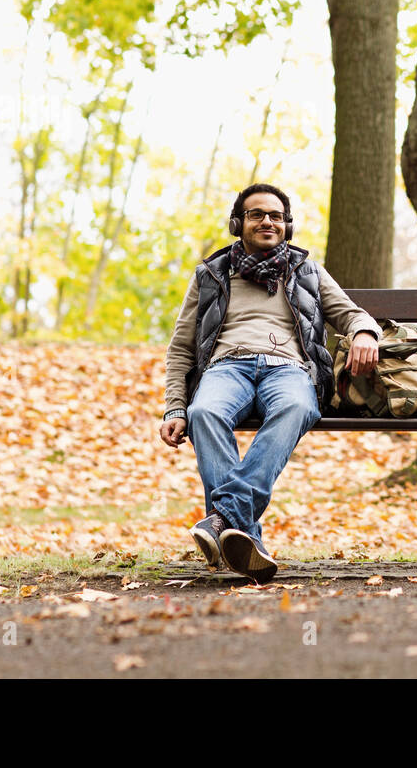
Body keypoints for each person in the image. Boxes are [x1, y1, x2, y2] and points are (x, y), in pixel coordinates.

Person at [159, 183, 381, 582]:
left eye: (276, 216)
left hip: (288, 369)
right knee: (203, 412)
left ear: (287, 226)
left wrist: (365, 333)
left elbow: (352, 314)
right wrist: (175, 407)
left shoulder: (307, 270)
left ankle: (222, 519)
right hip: (227, 368)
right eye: (257, 214)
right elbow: (181, 349)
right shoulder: (210, 275)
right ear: (237, 223)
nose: (267, 221)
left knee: (298, 406)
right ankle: (247, 538)